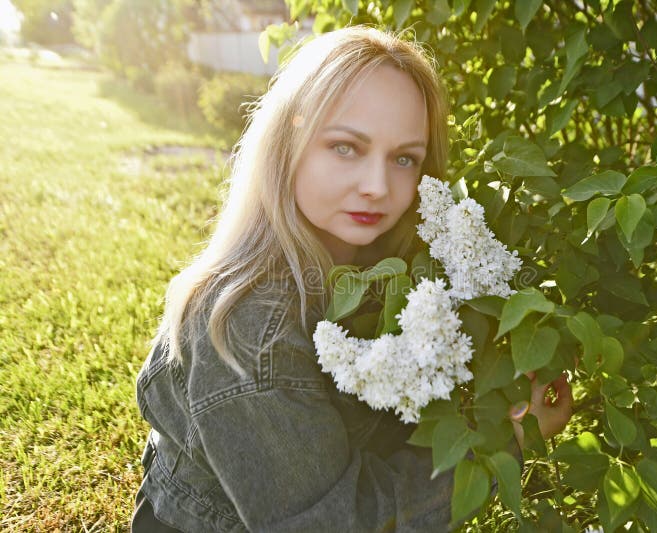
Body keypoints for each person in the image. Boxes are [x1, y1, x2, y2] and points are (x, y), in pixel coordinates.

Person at [131, 25, 572, 532]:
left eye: (404, 158)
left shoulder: (396, 267)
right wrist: (511, 441)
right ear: (289, 139)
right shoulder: (251, 329)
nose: (377, 187)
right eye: (345, 147)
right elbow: (334, 524)